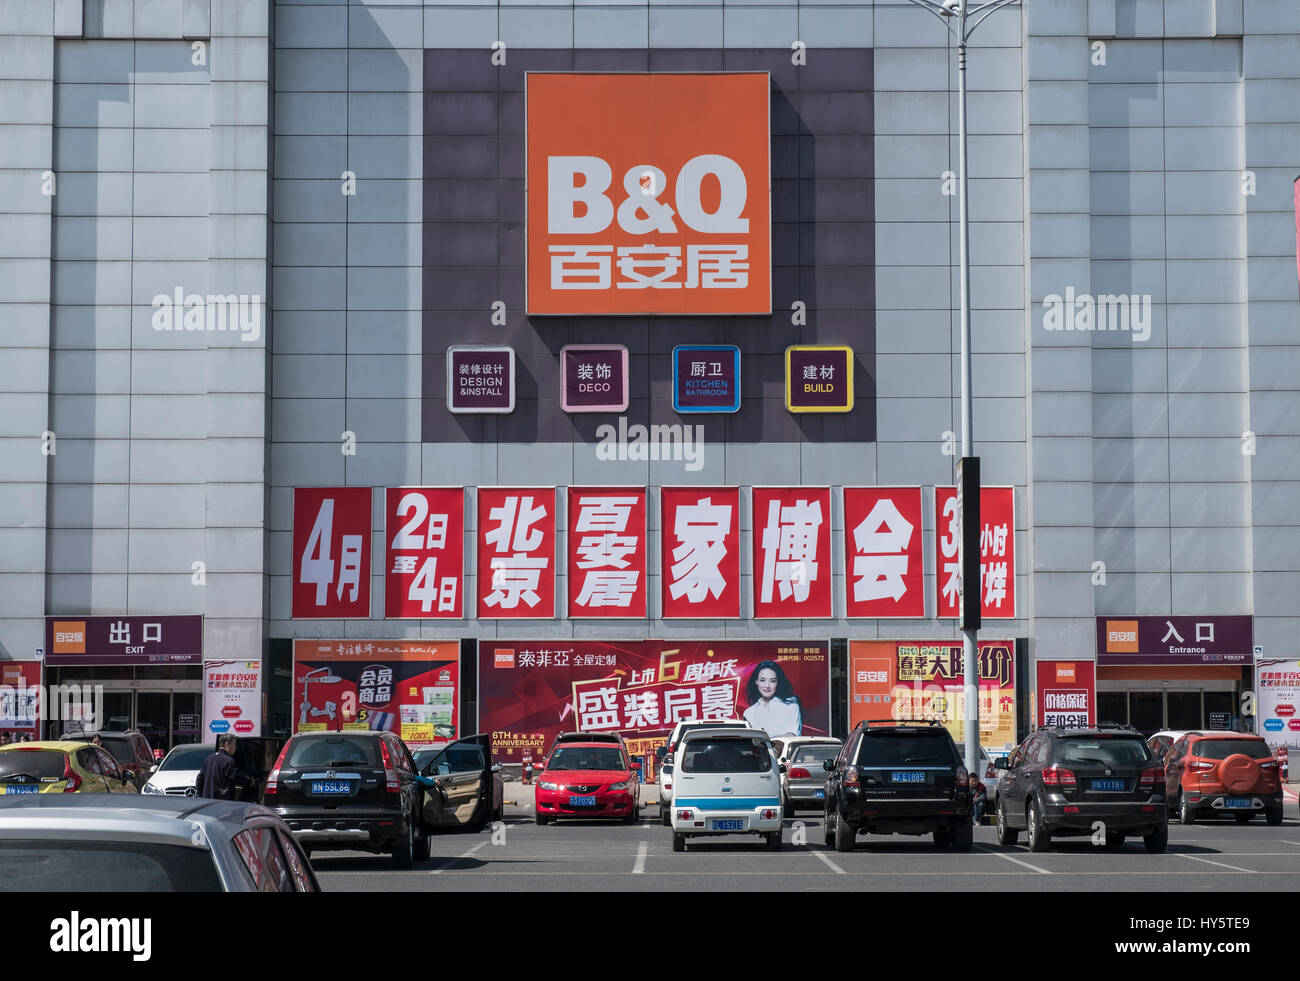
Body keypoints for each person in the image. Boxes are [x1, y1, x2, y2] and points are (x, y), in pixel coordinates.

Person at [741, 661, 803, 738]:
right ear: (756, 681)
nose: (767, 686)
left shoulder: (791, 704)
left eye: (772, 681)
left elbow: (793, 735)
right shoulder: (749, 713)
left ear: (778, 682)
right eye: (762, 680)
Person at [197, 735, 252, 800]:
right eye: (234, 744)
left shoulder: (208, 759)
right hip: (222, 803)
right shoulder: (228, 761)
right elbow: (237, 778)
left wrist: (202, 795)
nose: (235, 747)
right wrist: (250, 780)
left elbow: (200, 779)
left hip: (207, 802)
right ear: (227, 744)